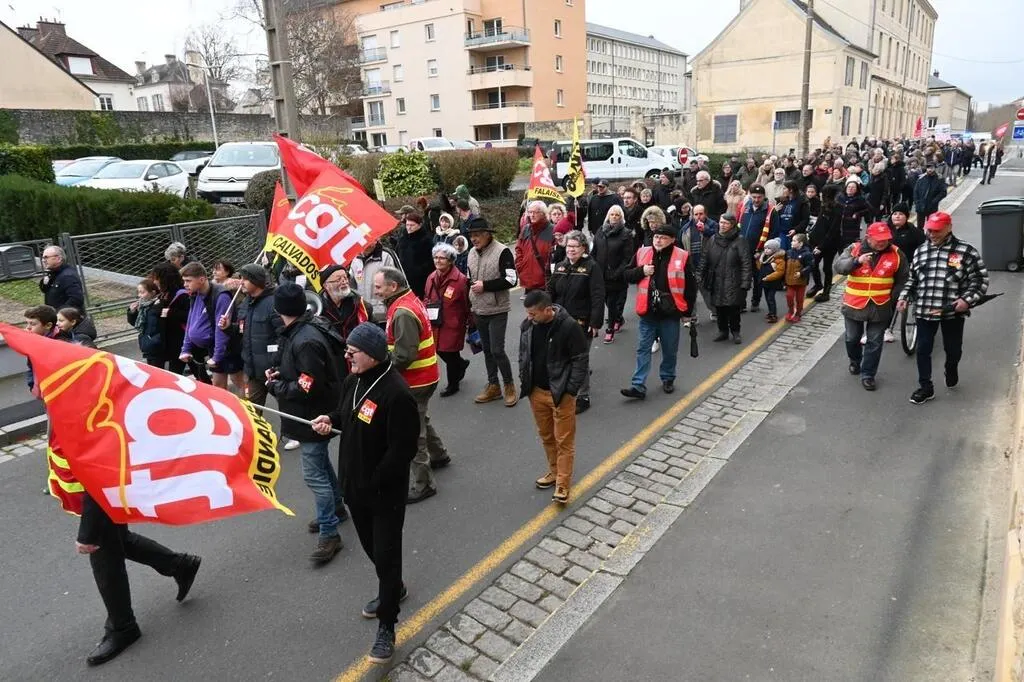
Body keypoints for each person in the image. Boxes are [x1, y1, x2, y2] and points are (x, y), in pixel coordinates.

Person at [311, 323, 419, 665]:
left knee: (386, 555)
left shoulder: (397, 393)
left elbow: (402, 450)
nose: (346, 356)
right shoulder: (353, 381)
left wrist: (373, 480)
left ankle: (387, 624)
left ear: (371, 354)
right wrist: (329, 418)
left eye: (351, 351)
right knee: (373, 549)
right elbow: (347, 414)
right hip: (354, 488)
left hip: (383, 493)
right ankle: (394, 588)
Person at [266, 282, 346, 562]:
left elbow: (306, 386)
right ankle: (336, 510)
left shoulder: (305, 339)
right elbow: (298, 373)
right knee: (321, 465)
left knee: (314, 475)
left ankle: (330, 533)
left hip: (312, 416)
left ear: (280, 310)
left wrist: (276, 387)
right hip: (312, 413)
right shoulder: (304, 329)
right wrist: (278, 373)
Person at [74, 492, 201, 666]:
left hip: (101, 492)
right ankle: (178, 565)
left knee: (104, 553)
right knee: (117, 539)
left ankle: (123, 627)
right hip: (105, 489)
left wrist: (87, 533)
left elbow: (95, 476)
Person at [897, 212, 989, 405]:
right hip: (925, 310)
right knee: (923, 350)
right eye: (929, 230)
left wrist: (967, 300)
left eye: (937, 230)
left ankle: (951, 366)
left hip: (952, 312)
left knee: (953, 350)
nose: (932, 234)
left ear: (949, 228)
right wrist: (904, 297)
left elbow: (980, 280)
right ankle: (925, 387)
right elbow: (913, 279)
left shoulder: (966, 251)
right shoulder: (921, 250)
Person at [376, 267, 450, 503]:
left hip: (416, 379)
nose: (375, 291)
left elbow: (404, 355)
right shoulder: (406, 300)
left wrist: (382, 370)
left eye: (378, 287)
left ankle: (424, 483)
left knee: (412, 432)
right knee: (421, 417)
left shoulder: (402, 312)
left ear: (393, 286)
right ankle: (439, 455)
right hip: (425, 376)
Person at [518, 290, 589, 503]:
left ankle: (563, 483)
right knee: (547, 436)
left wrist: (570, 390)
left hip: (560, 394)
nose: (529, 317)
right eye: (528, 313)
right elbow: (524, 354)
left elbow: (580, 359)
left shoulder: (569, 327)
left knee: (564, 440)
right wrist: (526, 381)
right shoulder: (528, 326)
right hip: (536, 392)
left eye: (533, 313)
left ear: (547, 310)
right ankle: (554, 470)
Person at [620, 220, 697, 399]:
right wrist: (642, 271)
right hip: (648, 311)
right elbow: (627, 275)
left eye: (663, 237)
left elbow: (691, 287)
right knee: (642, 348)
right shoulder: (642, 252)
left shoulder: (682, 256)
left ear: (672, 240)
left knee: (670, 349)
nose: (658, 240)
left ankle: (668, 377)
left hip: (670, 312)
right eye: (656, 237)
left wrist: (687, 313)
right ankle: (638, 385)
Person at [834, 222, 909, 391]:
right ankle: (855, 360)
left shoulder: (897, 254)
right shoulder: (854, 249)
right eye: (879, 239)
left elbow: (903, 279)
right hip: (854, 304)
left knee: (875, 342)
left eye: (886, 239)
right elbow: (839, 267)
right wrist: (856, 261)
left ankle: (868, 374)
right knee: (852, 338)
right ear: (868, 238)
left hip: (881, 306)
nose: (883, 242)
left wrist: (897, 297)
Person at [547, 231, 604, 414]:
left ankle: (583, 396)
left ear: (584, 248)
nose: (570, 250)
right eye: (568, 246)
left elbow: (597, 296)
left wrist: (595, 323)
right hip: (559, 323)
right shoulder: (561, 267)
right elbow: (550, 291)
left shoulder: (591, 267)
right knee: (562, 357)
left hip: (581, 322)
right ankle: (566, 388)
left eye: (575, 246)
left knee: (579, 360)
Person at [466, 216, 519, 407]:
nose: (474, 238)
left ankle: (509, 385)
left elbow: (512, 280)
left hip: (497, 309)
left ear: (488, 235)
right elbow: (469, 279)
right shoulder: (471, 253)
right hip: (478, 309)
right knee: (487, 350)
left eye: (478, 234)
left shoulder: (502, 251)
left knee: (497, 349)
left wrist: (486, 286)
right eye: (472, 235)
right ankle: (493, 385)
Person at [178, 262, 244, 391]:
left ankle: (251, 409)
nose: (185, 284)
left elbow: (222, 328)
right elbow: (191, 320)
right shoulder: (195, 294)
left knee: (239, 382)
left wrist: (217, 356)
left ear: (201, 280)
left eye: (188, 281)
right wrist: (185, 348)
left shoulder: (221, 296)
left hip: (228, 348)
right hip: (213, 347)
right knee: (218, 386)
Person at [696, 213, 752, 344]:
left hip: (733, 280)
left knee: (733, 309)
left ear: (732, 225)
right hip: (716, 279)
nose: (722, 225)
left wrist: (745, 282)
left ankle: (735, 332)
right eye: (721, 222)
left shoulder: (740, 240)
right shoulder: (713, 239)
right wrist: (699, 275)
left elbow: (746, 263)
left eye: (726, 223)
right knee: (719, 308)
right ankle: (723, 331)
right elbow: (705, 259)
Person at [424, 243, 471, 397]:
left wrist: (469, 322)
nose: (438, 261)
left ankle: (453, 384)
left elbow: (466, 303)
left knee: (450, 352)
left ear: (451, 260)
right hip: (435, 322)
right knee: (440, 350)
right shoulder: (431, 277)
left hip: (453, 323)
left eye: (442, 258)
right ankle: (461, 364)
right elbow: (426, 297)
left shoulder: (461, 280)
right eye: (435, 257)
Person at [235, 264, 283, 407]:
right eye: (240, 278)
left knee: (288, 412)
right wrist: (227, 328)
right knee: (248, 410)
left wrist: (278, 365)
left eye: (245, 279)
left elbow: (284, 335)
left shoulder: (274, 303)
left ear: (256, 281)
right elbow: (242, 331)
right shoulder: (246, 302)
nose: (241, 282)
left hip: (274, 372)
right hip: (252, 372)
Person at [591, 203, 634, 345]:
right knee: (605, 301)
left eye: (617, 215)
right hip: (600, 274)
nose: (614, 217)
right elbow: (595, 251)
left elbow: (627, 258)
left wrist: (617, 272)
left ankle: (610, 330)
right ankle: (618, 318)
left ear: (621, 217)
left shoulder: (626, 233)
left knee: (612, 302)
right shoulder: (600, 231)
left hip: (616, 276)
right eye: (612, 214)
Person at [736, 184, 779, 312]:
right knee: (742, 278)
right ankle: (741, 304)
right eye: (753, 197)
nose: (756, 200)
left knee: (758, 278)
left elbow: (774, 233)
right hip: (743, 249)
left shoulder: (771, 211)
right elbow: (739, 226)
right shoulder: (745, 207)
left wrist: (762, 251)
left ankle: (755, 301)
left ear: (763, 197)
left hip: (759, 251)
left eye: (759, 197)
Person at [677, 204, 716, 319]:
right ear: (692, 215)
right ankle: (692, 316)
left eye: (701, 214)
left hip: (707, 265)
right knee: (690, 293)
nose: (698, 217)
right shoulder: (686, 228)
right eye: (696, 214)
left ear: (705, 214)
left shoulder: (713, 225)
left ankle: (715, 312)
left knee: (707, 292)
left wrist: (705, 230)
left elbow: (719, 237)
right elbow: (679, 245)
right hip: (691, 265)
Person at [150, 262, 190, 375]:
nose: (154, 281)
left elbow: (190, 316)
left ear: (164, 279)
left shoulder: (182, 294)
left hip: (179, 343)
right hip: (163, 343)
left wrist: (171, 313)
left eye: (156, 278)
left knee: (176, 374)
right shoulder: (162, 294)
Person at [318, 265, 370, 348]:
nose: (344, 281)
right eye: (338, 279)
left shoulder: (359, 303)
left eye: (345, 278)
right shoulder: (318, 307)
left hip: (355, 350)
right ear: (326, 285)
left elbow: (371, 326)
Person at [352, 241, 399, 324]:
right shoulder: (355, 260)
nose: (366, 244)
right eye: (364, 241)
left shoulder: (386, 256)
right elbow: (352, 287)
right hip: (363, 317)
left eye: (369, 241)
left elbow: (399, 284)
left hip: (383, 316)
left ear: (377, 239)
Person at [516, 201, 556, 293]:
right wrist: (520, 267)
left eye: (536, 212)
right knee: (530, 307)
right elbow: (518, 249)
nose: (532, 215)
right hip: (528, 280)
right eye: (530, 212)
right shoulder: (526, 229)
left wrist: (548, 271)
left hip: (544, 281)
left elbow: (554, 255)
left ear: (543, 214)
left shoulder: (552, 230)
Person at [23, 305, 61, 398]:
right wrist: (32, 385)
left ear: (48, 325)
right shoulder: (35, 341)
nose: (28, 327)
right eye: (27, 323)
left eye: (32, 324)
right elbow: (31, 366)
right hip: (44, 392)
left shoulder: (61, 342)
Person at [395, 212, 435, 299]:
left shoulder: (426, 240)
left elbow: (431, 261)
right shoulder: (403, 239)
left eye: (412, 225)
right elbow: (397, 255)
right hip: (404, 278)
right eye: (407, 225)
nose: (409, 227)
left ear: (419, 225)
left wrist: (419, 271)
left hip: (421, 280)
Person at [127, 279, 164, 366]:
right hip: (147, 342)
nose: (140, 295)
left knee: (157, 369)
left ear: (153, 292)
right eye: (139, 292)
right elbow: (136, 323)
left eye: (142, 292)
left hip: (156, 344)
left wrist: (154, 340)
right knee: (151, 368)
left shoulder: (158, 304)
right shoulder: (143, 306)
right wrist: (132, 312)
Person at [39, 245, 84, 314]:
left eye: (46, 257)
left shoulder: (67, 276)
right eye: (43, 258)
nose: (43, 260)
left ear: (59, 259)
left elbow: (76, 299)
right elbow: (46, 290)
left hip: (69, 321)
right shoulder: (54, 273)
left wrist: (59, 314)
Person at [783, 233, 814, 322]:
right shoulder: (789, 252)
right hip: (789, 281)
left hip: (801, 282)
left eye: (794, 241)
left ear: (801, 243)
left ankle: (798, 313)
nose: (792, 242)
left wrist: (801, 273)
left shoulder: (807, 254)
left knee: (799, 299)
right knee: (789, 296)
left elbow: (810, 266)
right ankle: (791, 310)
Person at [758, 239, 786, 323]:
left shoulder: (779, 260)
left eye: (768, 248)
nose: (766, 250)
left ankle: (773, 315)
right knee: (767, 298)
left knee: (770, 298)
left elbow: (779, 272)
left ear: (774, 250)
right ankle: (770, 312)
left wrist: (768, 277)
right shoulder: (764, 257)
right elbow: (761, 267)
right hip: (765, 282)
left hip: (773, 283)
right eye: (765, 248)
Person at [913, 162, 947, 229]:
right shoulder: (921, 178)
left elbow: (943, 192)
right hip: (920, 206)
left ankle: (929, 238)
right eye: (928, 167)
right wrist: (917, 202)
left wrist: (934, 201)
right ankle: (921, 238)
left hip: (932, 207)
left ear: (935, 168)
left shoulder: (939, 179)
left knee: (931, 226)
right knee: (920, 226)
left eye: (931, 167)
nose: (929, 169)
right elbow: (916, 191)